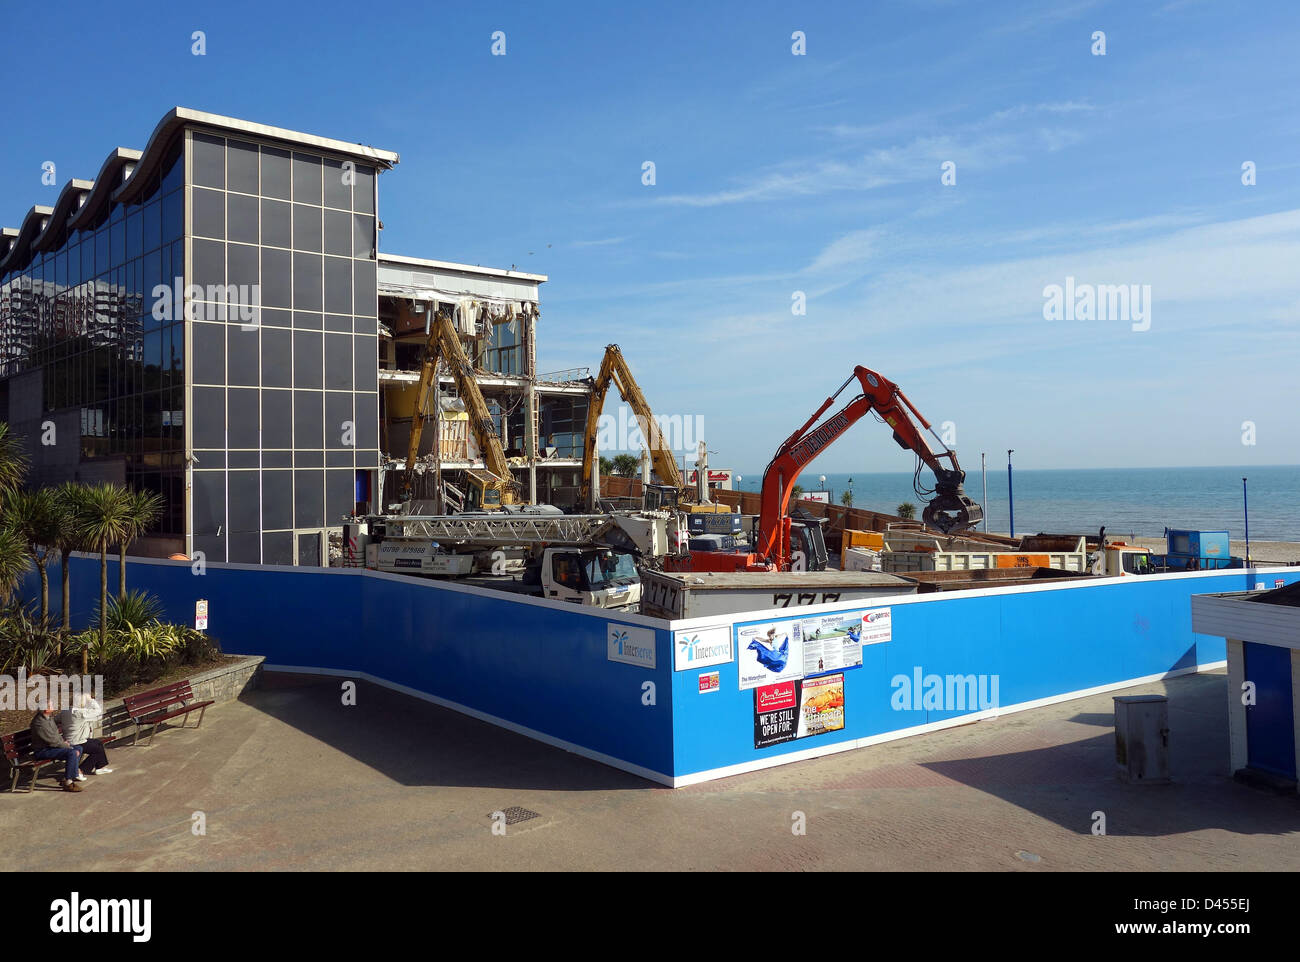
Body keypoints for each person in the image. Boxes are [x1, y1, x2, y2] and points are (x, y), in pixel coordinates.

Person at [29, 697, 84, 792]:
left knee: (78, 748)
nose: (54, 706)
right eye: (52, 705)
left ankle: (72, 774)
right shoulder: (39, 723)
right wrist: (67, 746)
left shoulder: (48, 718)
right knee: (72, 752)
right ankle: (68, 782)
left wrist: (64, 743)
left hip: (52, 747)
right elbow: (52, 740)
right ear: (46, 709)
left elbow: (56, 735)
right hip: (43, 751)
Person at [60, 691, 113, 776]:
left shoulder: (65, 711)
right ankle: (81, 770)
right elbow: (98, 711)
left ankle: (100, 767)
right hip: (77, 741)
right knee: (97, 750)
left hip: (72, 739)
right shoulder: (80, 713)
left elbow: (56, 719)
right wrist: (90, 700)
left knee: (97, 742)